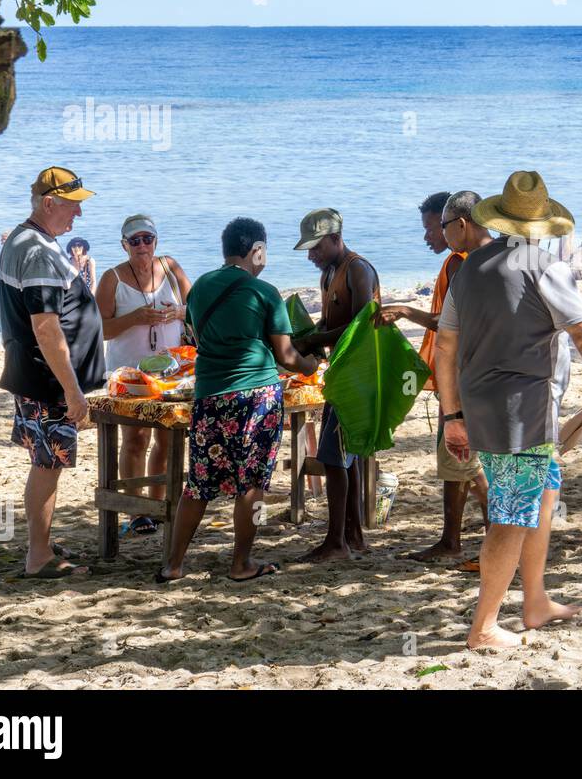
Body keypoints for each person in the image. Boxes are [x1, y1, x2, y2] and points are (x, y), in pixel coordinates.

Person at [436, 171, 582, 650]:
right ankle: (484, 626)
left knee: (544, 496)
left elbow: (445, 344)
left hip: (484, 405)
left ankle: (535, 602)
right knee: (510, 514)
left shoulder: (468, 269)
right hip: (520, 412)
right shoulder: (545, 267)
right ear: (544, 223)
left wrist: (451, 415)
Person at [157, 218, 319, 582]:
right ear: (257, 250)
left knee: (198, 482)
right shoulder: (265, 293)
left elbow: (198, 339)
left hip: (208, 396)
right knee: (252, 483)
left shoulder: (199, 288)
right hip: (254, 399)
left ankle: (174, 564)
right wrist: (311, 364)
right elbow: (287, 356)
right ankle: (241, 563)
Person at [0, 167, 104, 579]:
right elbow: (45, 326)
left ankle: (40, 543)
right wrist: (73, 391)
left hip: (34, 373)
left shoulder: (27, 239)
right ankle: (38, 557)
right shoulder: (38, 249)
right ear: (49, 203)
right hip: (47, 379)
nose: (77, 217)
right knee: (48, 464)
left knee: (44, 462)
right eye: (72, 207)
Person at [374, 191, 489, 563]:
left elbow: (448, 323)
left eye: (433, 227)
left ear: (458, 225)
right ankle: (453, 540)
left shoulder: (460, 263)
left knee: (467, 463)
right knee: (458, 465)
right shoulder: (484, 258)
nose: (428, 236)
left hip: (461, 376)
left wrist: (406, 311)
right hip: (475, 372)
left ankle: (495, 542)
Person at [291, 209, 380, 562]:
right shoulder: (330, 274)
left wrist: (314, 339)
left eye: (316, 248)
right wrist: (309, 337)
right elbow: (329, 321)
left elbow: (362, 327)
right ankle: (353, 535)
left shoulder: (359, 270)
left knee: (333, 457)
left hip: (359, 378)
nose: (312, 256)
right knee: (348, 456)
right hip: (339, 375)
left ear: (335, 238)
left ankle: (335, 542)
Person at [95, 214, 192, 535]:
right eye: (134, 241)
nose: (141, 246)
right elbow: (100, 329)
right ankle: (137, 512)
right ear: (124, 245)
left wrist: (178, 312)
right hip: (129, 374)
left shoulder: (170, 268)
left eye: (146, 239)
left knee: (167, 438)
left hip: (171, 373)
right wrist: (136, 317)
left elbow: (197, 308)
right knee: (135, 438)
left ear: (156, 241)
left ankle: (159, 505)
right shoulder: (112, 278)